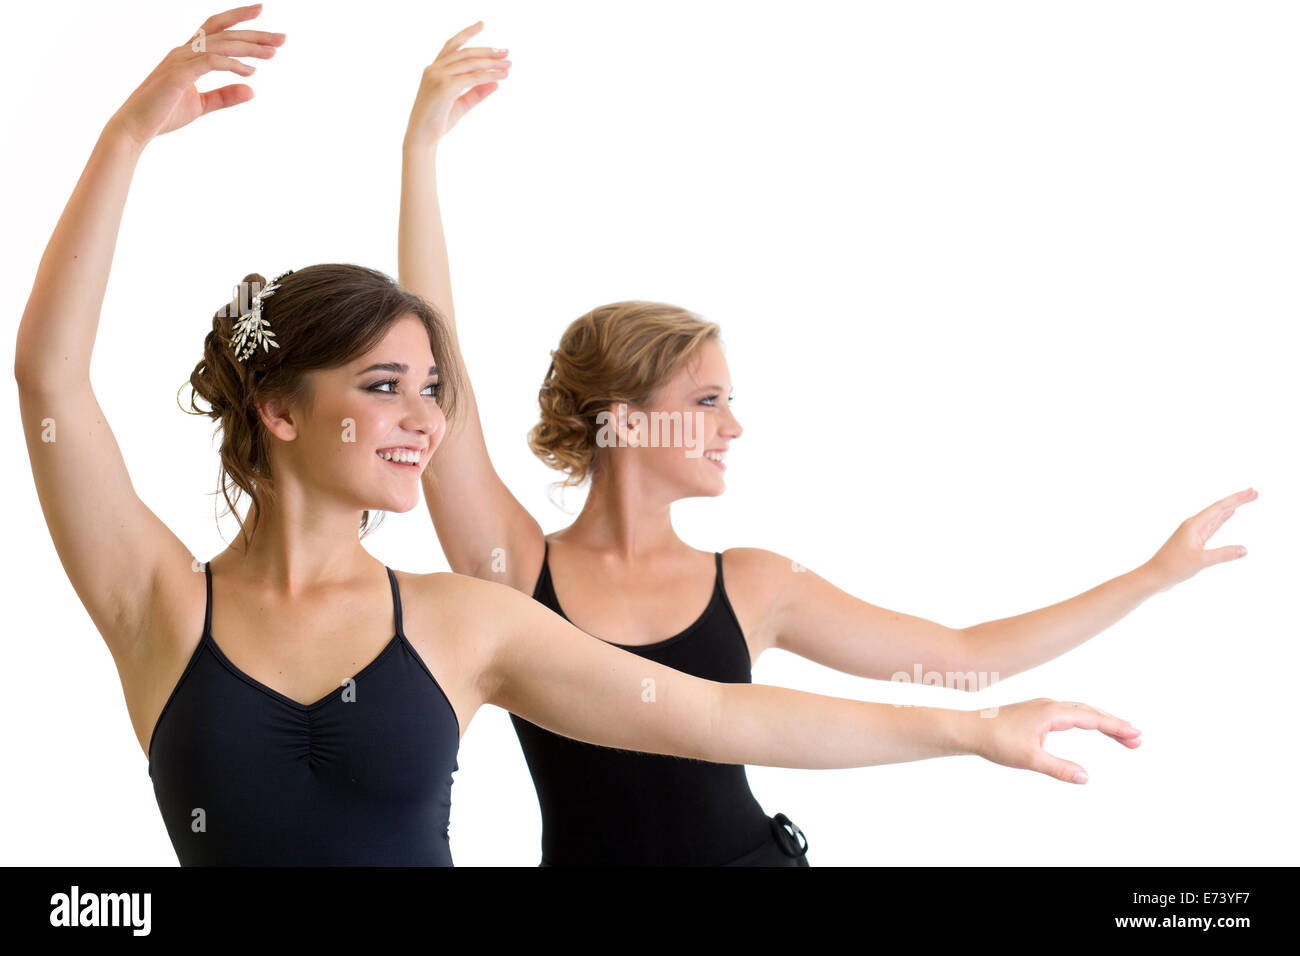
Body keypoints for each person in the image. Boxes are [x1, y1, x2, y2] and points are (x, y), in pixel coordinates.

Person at [16, 5, 1145, 867]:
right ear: (278, 408)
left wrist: (976, 729)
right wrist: (126, 137)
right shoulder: (157, 600)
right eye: (385, 385)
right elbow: (47, 373)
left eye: (434, 389)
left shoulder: (469, 620)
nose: (425, 418)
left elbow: (711, 715)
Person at [401, 22, 1253, 866]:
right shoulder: (508, 567)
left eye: (731, 400)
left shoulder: (755, 583)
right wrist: (421, 150)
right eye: (706, 401)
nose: (732, 427)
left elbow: (961, 658)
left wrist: (1153, 576)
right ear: (623, 417)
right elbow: (436, 367)